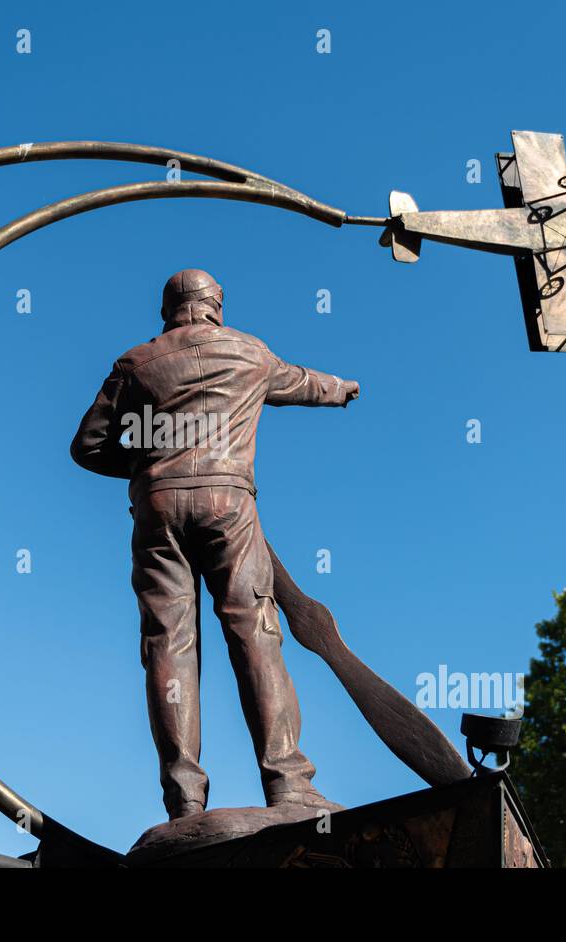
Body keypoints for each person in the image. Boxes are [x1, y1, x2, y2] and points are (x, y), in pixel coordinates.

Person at [70, 268, 359, 820]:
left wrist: (148, 466)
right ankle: (288, 781)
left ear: (167, 310)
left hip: (156, 511)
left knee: (167, 642)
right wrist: (344, 388)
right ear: (216, 306)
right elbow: (305, 382)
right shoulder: (249, 353)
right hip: (228, 504)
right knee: (255, 633)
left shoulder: (136, 363)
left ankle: (184, 799)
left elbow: (87, 446)